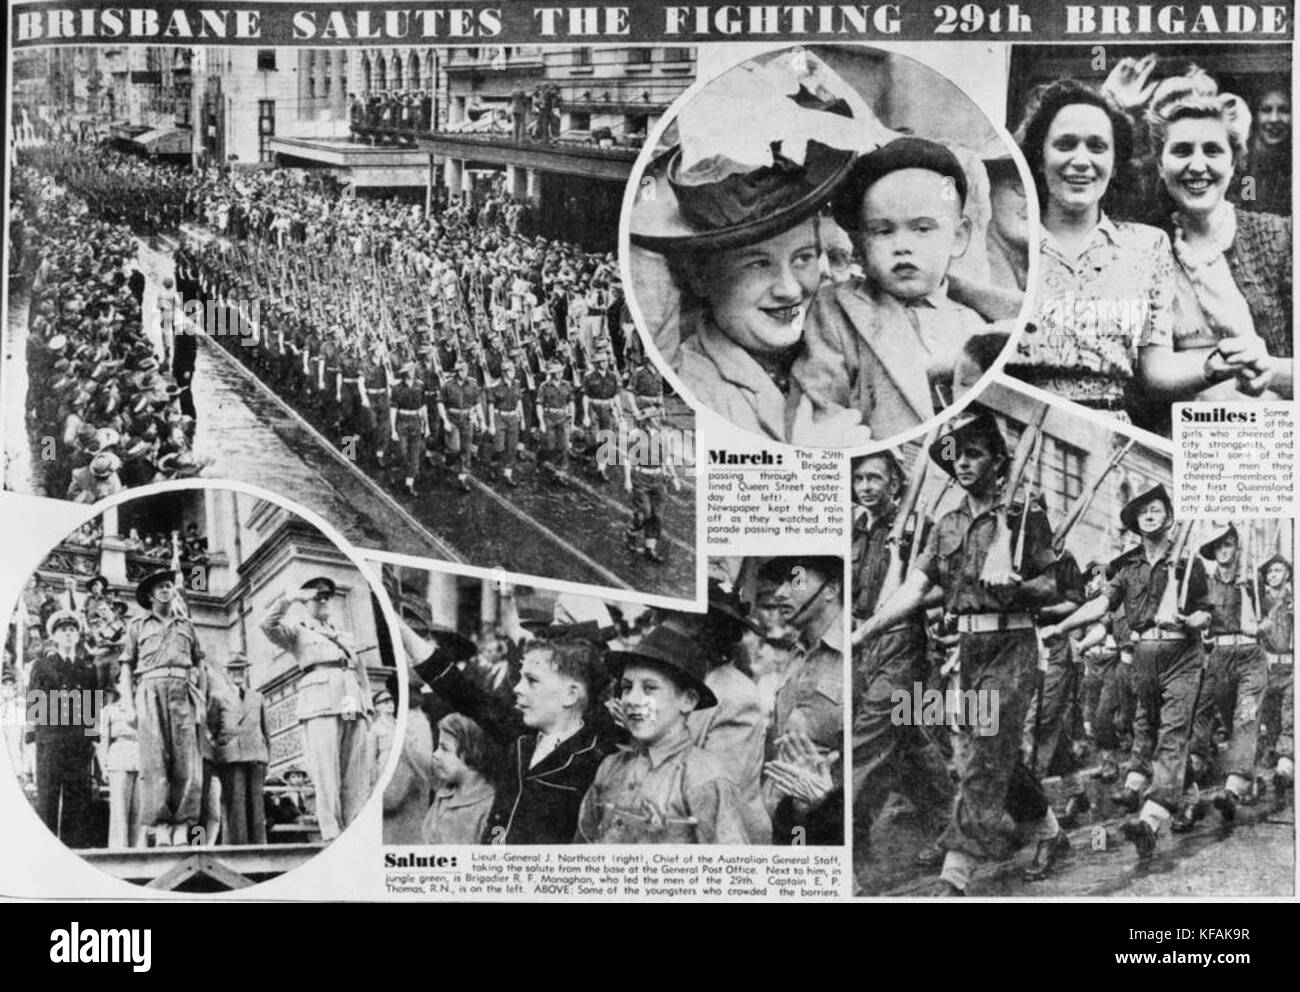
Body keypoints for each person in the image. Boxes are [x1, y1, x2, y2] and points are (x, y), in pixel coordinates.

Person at [859, 412, 1065, 893]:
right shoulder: (947, 524)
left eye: (974, 454)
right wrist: (868, 630)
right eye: (957, 456)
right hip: (969, 649)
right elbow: (916, 588)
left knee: (981, 752)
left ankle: (956, 875)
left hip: (1012, 645)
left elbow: (1054, 584)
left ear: (997, 461)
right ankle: (1050, 831)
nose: (963, 463)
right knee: (994, 751)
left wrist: (1017, 587)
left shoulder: (1022, 514)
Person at [1006, 79, 1248, 427]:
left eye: (1097, 146)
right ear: (1040, 159)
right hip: (1015, 422)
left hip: (1107, 434)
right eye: (1064, 144)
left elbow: (1155, 370)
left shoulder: (1147, 247)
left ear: (1115, 163)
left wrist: (1214, 364)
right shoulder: (1012, 243)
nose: (1081, 160)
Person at [1041, 484, 1212, 860]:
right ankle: (1192, 798)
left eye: (1156, 509)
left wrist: (1190, 619)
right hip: (1143, 655)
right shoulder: (1127, 566)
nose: (1150, 515)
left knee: (1172, 733)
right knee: (1147, 731)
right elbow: (1102, 603)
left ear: (1168, 516)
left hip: (1182, 653)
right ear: (1136, 522)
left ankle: (1150, 820)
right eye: (1143, 511)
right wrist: (1062, 626)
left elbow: (1205, 611)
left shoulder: (1188, 561)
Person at [798, 137, 1009, 432]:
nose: (902, 246)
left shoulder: (974, 322)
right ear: (861, 243)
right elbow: (822, 405)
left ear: (958, 237)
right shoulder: (837, 310)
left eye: (922, 229)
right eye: (883, 231)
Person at [403, 618, 613, 844]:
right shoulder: (520, 736)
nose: (517, 688)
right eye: (521, 677)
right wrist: (401, 629)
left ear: (571, 695)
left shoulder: (596, 761)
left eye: (532, 681)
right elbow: (461, 691)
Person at [850, 452, 954, 860]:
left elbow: (949, 585)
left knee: (865, 740)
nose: (865, 487)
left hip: (903, 646)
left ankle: (850, 843)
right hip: (862, 643)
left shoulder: (918, 528)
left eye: (874, 478)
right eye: (859, 480)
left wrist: (907, 603)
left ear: (895, 483)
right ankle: (951, 826)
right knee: (908, 742)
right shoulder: (855, 530)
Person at [577, 622, 749, 844]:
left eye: (649, 688)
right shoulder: (611, 767)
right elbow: (582, 844)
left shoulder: (704, 778)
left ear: (687, 700)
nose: (631, 699)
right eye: (627, 687)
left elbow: (731, 866)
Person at [260, 576, 375, 842]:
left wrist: (367, 707)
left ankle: (353, 822)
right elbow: (266, 626)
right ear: (307, 601)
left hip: (348, 701)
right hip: (320, 702)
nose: (323, 601)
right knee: (326, 767)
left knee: (352, 762)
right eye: (317, 597)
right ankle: (331, 829)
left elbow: (360, 671)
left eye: (327, 597)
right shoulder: (298, 631)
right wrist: (290, 599)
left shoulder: (342, 634)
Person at [760, 556, 846, 847]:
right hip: (784, 821)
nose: (782, 592)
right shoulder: (798, 653)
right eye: (782, 582)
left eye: (795, 580)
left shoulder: (855, 651)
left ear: (831, 590)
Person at [1187, 525, 1267, 823]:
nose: (1224, 550)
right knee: (1230, 719)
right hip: (1219, 659)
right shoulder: (1205, 585)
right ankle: (1248, 775)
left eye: (1229, 544)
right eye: (1219, 545)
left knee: (1245, 717)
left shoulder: (1253, 582)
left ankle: (1231, 790)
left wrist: (1249, 594)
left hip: (1250, 659)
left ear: (1237, 548)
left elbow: (1268, 619)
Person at [120, 569, 204, 847]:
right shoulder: (137, 626)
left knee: (186, 759)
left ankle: (184, 824)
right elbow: (126, 667)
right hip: (149, 689)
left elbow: (199, 663)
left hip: (182, 691)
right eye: (161, 587)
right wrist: (128, 705)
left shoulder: (187, 625)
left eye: (170, 586)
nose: (168, 590)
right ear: (150, 595)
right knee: (154, 759)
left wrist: (200, 698)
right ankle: (161, 825)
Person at [27, 610, 98, 848]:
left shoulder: (88, 668)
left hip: (78, 741)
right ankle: (44, 848)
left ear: (78, 636)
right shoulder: (42, 665)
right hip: (51, 738)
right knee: (48, 794)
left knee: (78, 796)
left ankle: (74, 847)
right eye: (63, 630)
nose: (68, 634)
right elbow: (34, 704)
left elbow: (91, 709)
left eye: (72, 630)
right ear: (54, 636)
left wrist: (92, 740)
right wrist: (37, 738)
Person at [211, 653, 270, 845]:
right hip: (231, 756)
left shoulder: (258, 697)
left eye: (241, 669)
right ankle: (238, 847)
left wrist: (267, 757)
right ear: (227, 673)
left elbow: (265, 729)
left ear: (246, 672)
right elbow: (212, 729)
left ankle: (260, 847)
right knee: (235, 806)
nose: (238, 673)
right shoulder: (218, 698)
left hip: (256, 755)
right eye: (234, 670)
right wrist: (221, 747)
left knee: (256, 805)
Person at [422, 713, 496, 844]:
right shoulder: (444, 794)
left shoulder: (489, 807)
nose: (435, 754)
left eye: (444, 749)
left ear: (472, 753)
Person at [1257, 552, 1293, 798]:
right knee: (1269, 715)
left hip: (1292, 667)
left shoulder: (1293, 600)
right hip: (1268, 667)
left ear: (1287, 574)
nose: (1273, 576)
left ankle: (1286, 763)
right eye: (1269, 572)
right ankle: (1271, 749)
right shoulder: (1261, 601)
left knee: (1289, 715)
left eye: (1278, 571)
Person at [96, 677, 141, 848]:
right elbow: (103, 740)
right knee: (119, 810)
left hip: (140, 757)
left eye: (134, 682)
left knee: (140, 811)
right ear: (117, 686)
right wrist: (104, 767)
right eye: (125, 683)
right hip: (118, 756)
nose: (131, 686)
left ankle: (140, 852)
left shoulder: (143, 709)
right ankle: (119, 849)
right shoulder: (109, 710)